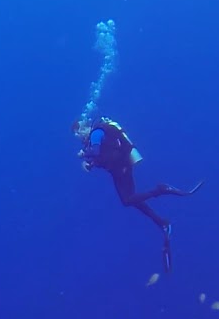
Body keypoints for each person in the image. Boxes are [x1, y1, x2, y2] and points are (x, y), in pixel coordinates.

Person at [73, 117, 202, 273]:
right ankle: (162, 222)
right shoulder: (94, 137)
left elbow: (96, 151)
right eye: (77, 135)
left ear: (84, 127)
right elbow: (100, 155)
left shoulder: (96, 133)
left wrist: (83, 155)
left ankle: (160, 190)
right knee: (132, 199)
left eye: (79, 132)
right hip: (118, 168)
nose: (79, 136)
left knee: (127, 200)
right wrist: (90, 163)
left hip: (121, 167)